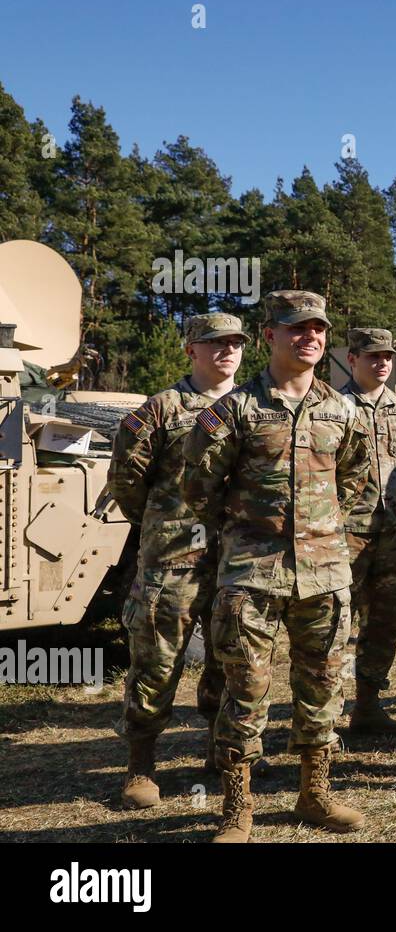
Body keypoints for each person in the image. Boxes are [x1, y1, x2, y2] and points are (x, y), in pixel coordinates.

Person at [183, 290, 371, 842]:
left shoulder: (343, 409)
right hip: (252, 576)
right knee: (245, 693)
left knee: (323, 689)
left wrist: (333, 539)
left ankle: (314, 796)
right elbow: (198, 488)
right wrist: (245, 530)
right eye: (295, 329)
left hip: (325, 576)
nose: (308, 337)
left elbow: (357, 482)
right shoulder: (235, 409)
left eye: (317, 329)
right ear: (270, 336)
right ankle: (237, 810)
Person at [109, 312, 248, 808]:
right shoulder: (162, 409)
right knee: (157, 661)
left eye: (234, 342)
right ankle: (140, 766)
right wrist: (164, 526)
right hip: (173, 558)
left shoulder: (254, 405)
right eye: (214, 343)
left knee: (231, 660)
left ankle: (223, 751)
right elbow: (128, 481)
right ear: (191, 350)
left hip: (239, 556)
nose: (226, 350)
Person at [339, 328, 396, 736]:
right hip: (343, 534)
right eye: (372, 356)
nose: (382, 363)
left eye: (387, 356)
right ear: (352, 360)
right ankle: (326, 714)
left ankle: (368, 704)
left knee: (386, 618)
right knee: (335, 623)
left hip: (390, 532)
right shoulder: (333, 408)